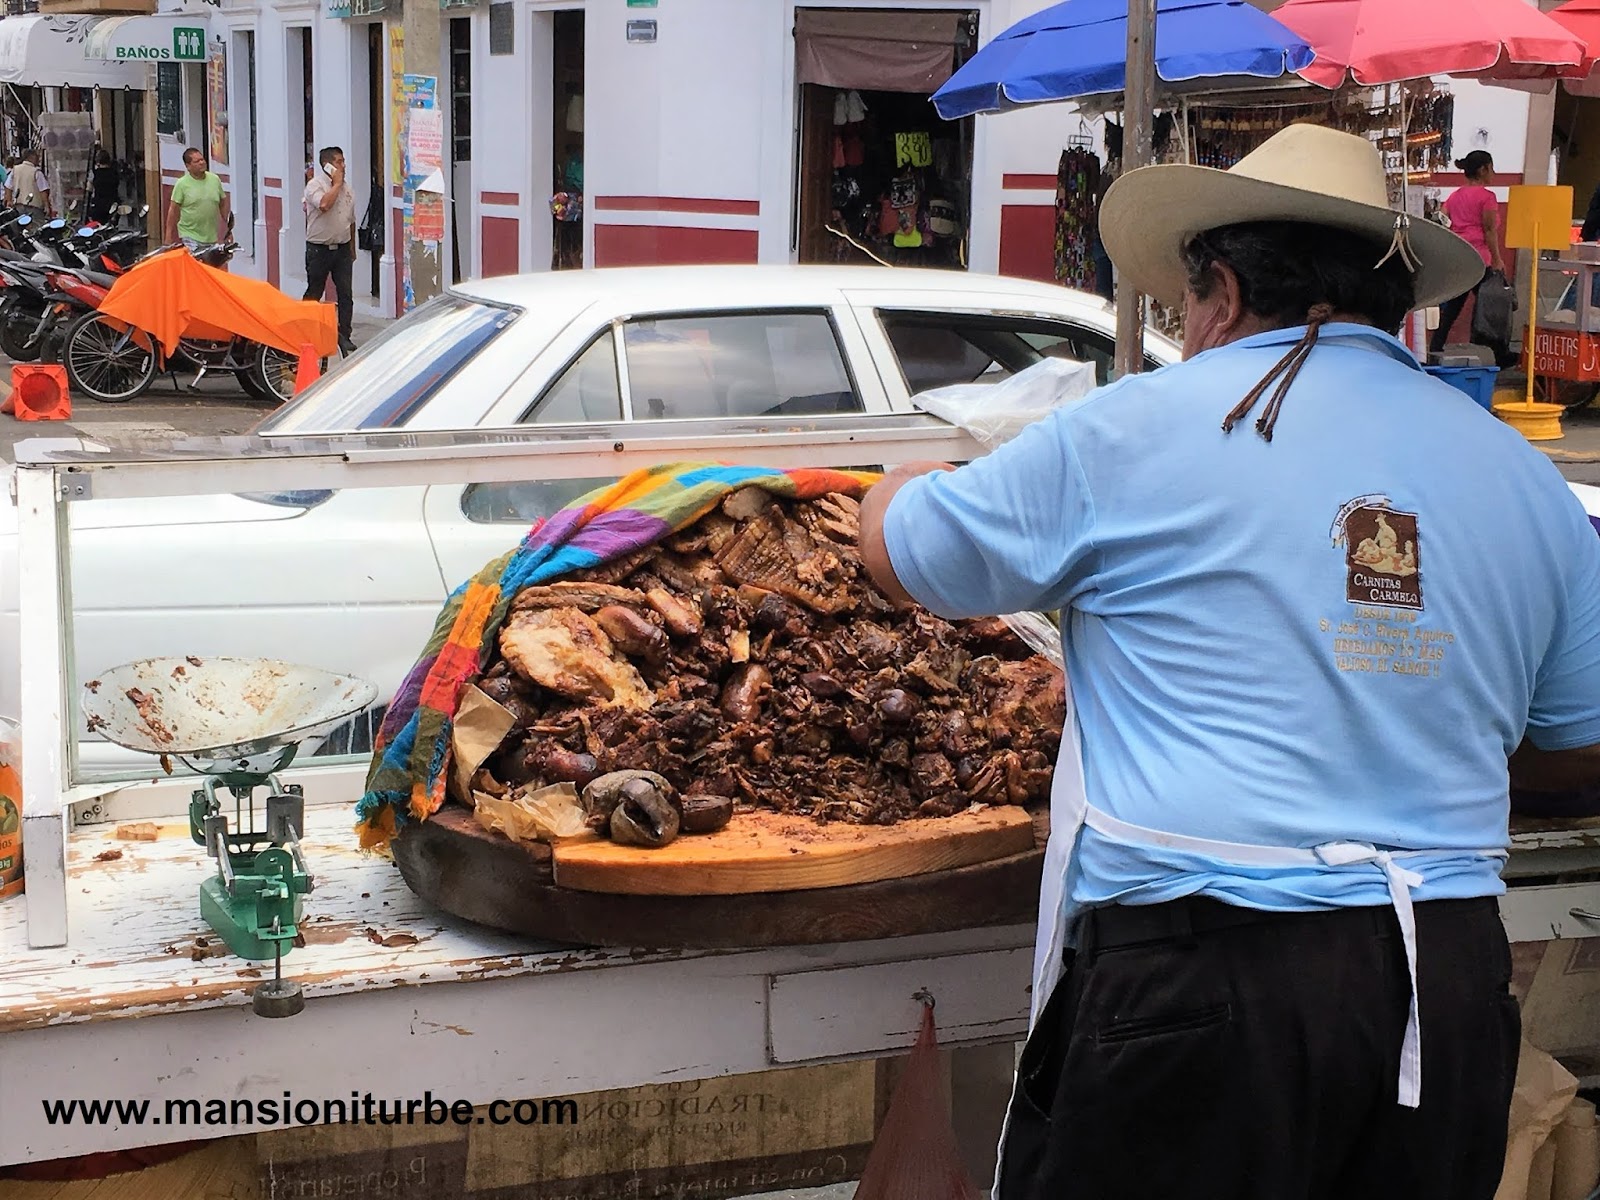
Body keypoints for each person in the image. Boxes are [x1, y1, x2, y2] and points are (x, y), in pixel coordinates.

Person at [859, 124, 1600, 1200]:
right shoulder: (1522, 477)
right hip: (1441, 982)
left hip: (1201, 981)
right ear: (1392, 303)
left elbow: (909, 557)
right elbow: (1576, 746)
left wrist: (883, 488)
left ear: (1217, 287)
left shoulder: (1130, 431)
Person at [1431, 150, 1504, 361]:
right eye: (1491, 168)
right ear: (1483, 170)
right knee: (1489, 307)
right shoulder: (1488, 197)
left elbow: (1442, 219)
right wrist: (1497, 259)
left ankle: (1436, 344)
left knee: (1453, 306)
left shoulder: (1456, 195)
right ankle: (1494, 350)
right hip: (1481, 258)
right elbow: (1490, 231)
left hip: (1461, 257)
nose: (1493, 173)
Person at [302, 145, 357, 356]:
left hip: (341, 248)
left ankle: (344, 336)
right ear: (327, 165)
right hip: (319, 248)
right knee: (315, 291)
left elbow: (350, 220)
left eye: (343, 162)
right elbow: (324, 205)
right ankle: (307, 331)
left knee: (345, 294)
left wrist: (352, 249)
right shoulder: (315, 186)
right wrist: (336, 184)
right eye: (338, 162)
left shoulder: (348, 189)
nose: (343, 166)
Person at [165, 147, 229, 249]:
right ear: (188, 166)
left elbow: (223, 204)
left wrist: (228, 229)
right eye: (197, 161)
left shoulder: (215, 180)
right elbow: (173, 211)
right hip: (190, 236)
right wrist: (168, 235)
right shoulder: (182, 184)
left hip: (211, 237)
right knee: (195, 263)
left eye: (202, 159)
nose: (201, 163)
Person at [4, 148, 52, 224]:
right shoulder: (36, 172)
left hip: (18, 206)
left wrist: (9, 200)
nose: (38, 159)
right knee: (37, 229)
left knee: (20, 228)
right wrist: (47, 206)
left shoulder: (15, 170)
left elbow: (8, 186)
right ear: (31, 157)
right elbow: (43, 190)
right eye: (37, 156)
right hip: (34, 207)